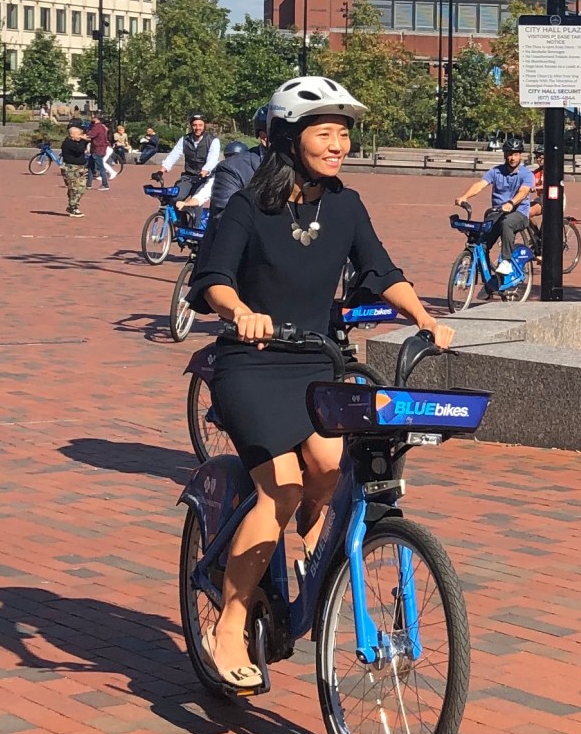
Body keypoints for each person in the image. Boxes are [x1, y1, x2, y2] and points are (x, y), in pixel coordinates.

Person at [187, 75, 453, 693]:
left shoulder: (345, 206)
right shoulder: (250, 206)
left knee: (331, 466)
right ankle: (229, 626)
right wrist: (239, 311)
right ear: (290, 138)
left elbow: (381, 269)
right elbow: (213, 278)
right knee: (280, 486)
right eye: (325, 133)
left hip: (314, 360)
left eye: (344, 134)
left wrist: (423, 316)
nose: (338, 145)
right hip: (251, 362)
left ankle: (306, 552)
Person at [454, 137, 534, 278]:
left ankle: (506, 261)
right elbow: (480, 185)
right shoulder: (496, 171)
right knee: (481, 244)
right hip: (497, 213)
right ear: (504, 155)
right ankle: (489, 283)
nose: (512, 158)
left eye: (515, 154)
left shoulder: (526, 174)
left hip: (519, 213)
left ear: (520, 156)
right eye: (509, 154)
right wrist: (464, 196)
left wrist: (511, 203)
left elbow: (523, 192)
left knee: (507, 223)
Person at [156, 113, 220, 210]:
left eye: (200, 125)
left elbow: (212, 160)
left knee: (196, 204)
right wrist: (161, 171)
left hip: (204, 178)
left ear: (204, 126)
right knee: (175, 198)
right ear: (191, 126)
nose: (197, 128)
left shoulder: (213, 141)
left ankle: (195, 220)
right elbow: (173, 155)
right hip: (188, 177)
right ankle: (180, 219)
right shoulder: (185, 139)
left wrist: (203, 173)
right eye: (194, 125)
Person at [60, 121, 90, 217]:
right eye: (78, 135)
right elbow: (79, 150)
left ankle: (74, 205)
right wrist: (83, 140)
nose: (80, 136)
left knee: (81, 188)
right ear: (72, 134)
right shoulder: (68, 143)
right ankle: (72, 207)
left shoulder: (76, 142)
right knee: (74, 188)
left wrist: (85, 140)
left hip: (80, 168)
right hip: (71, 169)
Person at [86, 114, 113, 191]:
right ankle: (88, 184)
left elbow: (91, 134)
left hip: (97, 149)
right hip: (97, 149)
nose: (91, 118)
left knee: (101, 167)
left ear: (96, 119)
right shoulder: (101, 127)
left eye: (93, 117)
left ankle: (105, 184)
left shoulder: (97, 127)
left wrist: (83, 135)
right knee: (91, 166)